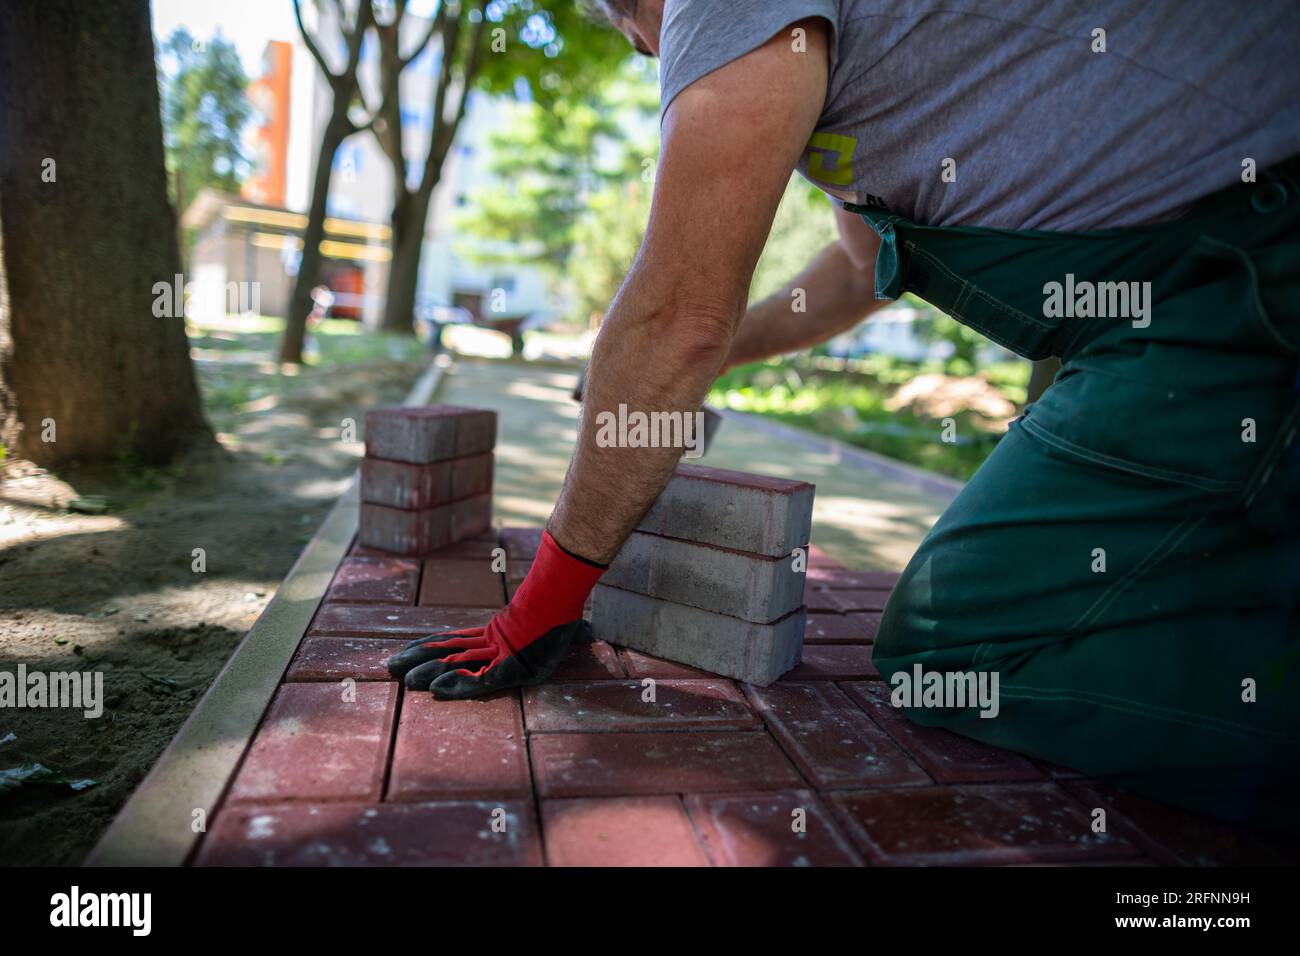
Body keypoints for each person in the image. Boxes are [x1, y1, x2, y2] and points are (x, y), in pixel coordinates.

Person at [389, 0, 1300, 832]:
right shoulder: (860, 78)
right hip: (1186, 297)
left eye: (637, 44)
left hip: (1243, 282)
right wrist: (689, 366)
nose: (653, 66)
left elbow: (675, 317)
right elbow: (857, 269)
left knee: (964, 649)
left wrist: (543, 607)